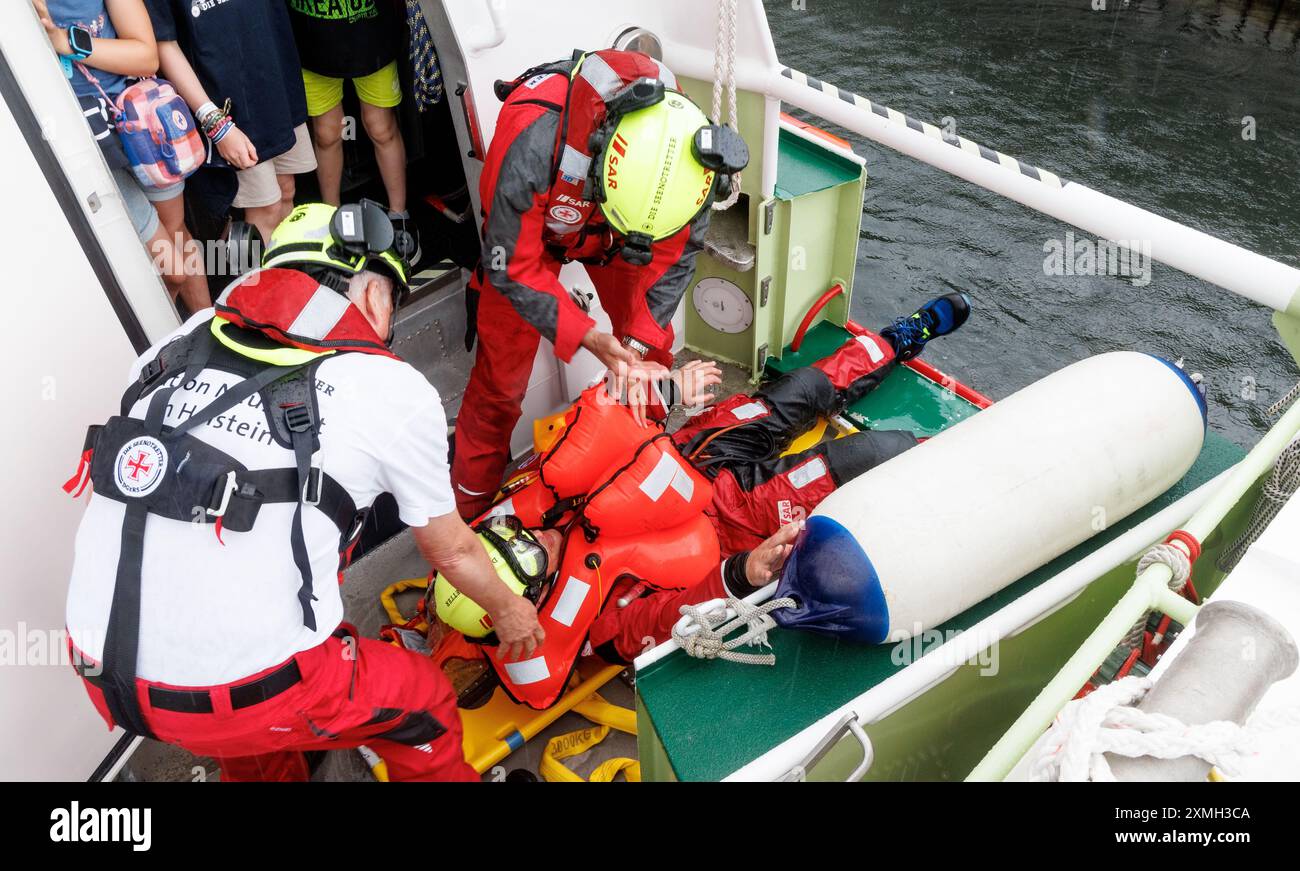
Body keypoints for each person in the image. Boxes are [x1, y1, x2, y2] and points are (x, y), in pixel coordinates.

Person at [63, 201, 542, 781]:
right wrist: (511, 611)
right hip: (244, 693)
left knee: (253, 717)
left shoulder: (180, 343)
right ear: (370, 296)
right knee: (422, 701)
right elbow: (454, 550)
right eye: (392, 299)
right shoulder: (387, 387)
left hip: (102, 671)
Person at [427, 292, 972, 696]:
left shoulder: (528, 505)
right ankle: (970, 449)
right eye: (531, 554)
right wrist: (743, 574)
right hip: (731, 517)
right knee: (869, 456)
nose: (536, 534)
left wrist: (668, 390)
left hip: (699, 449)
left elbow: (600, 415)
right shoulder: (595, 618)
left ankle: (904, 336)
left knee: (805, 389)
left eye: (511, 535)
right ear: (531, 596)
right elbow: (669, 617)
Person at [450, 48, 748, 520]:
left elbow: (676, 257)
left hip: (621, 239)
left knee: (651, 352)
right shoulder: (530, 139)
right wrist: (590, 336)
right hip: (532, 245)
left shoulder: (691, 158)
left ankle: (638, 451)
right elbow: (510, 262)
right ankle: (469, 512)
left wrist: (630, 349)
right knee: (499, 386)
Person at [36, 0, 209, 312]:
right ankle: (166, 349)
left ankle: (208, 330)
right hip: (88, 146)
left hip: (144, 124)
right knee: (171, 271)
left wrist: (64, 41)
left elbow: (146, 57)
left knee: (177, 232)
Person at [145, 0, 316, 243]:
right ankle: (257, 280)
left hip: (274, 76)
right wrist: (215, 122)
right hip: (227, 103)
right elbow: (164, 44)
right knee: (264, 207)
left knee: (287, 189)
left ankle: (290, 275)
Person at [285, 0, 416, 244]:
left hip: (371, 35)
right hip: (312, 42)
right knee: (327, 133)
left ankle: (399, 213)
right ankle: (331, 216)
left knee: (381, 128)